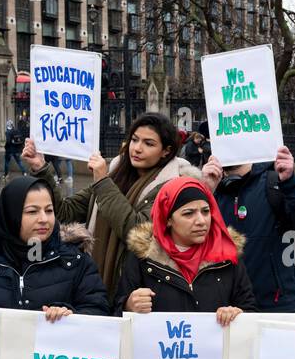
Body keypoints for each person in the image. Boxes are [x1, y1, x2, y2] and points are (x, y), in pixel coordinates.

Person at [21, 111, 200, 302]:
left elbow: (137, 231)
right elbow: (64, 212)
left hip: (138, 290)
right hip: (93, 280)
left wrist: (103, 183)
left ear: (166, 151)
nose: (137, 148)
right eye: (134, 140)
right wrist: (41, 168)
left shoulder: (172, 185)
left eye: (148, 144)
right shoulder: (116, 174)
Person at [0, 176, 109, 316]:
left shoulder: (75, 260)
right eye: (32, 211)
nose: (44, 219)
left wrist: (69, 313)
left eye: (49, 210)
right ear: (11, 216)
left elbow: (98, 310)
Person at [202, 145, 295, 312]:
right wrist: (205, 191)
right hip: (226, 309)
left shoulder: (276, 182)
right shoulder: (212, 189)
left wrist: (290, 183)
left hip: (278, 306)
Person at [114, 177, 255, 322]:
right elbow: (117, 314)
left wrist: (237, 314)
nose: (201, 221)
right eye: (189, 213)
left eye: (206, 211)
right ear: (168, 219)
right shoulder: (143, 258)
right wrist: (129, 305)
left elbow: (250, 310)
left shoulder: (228, 256)